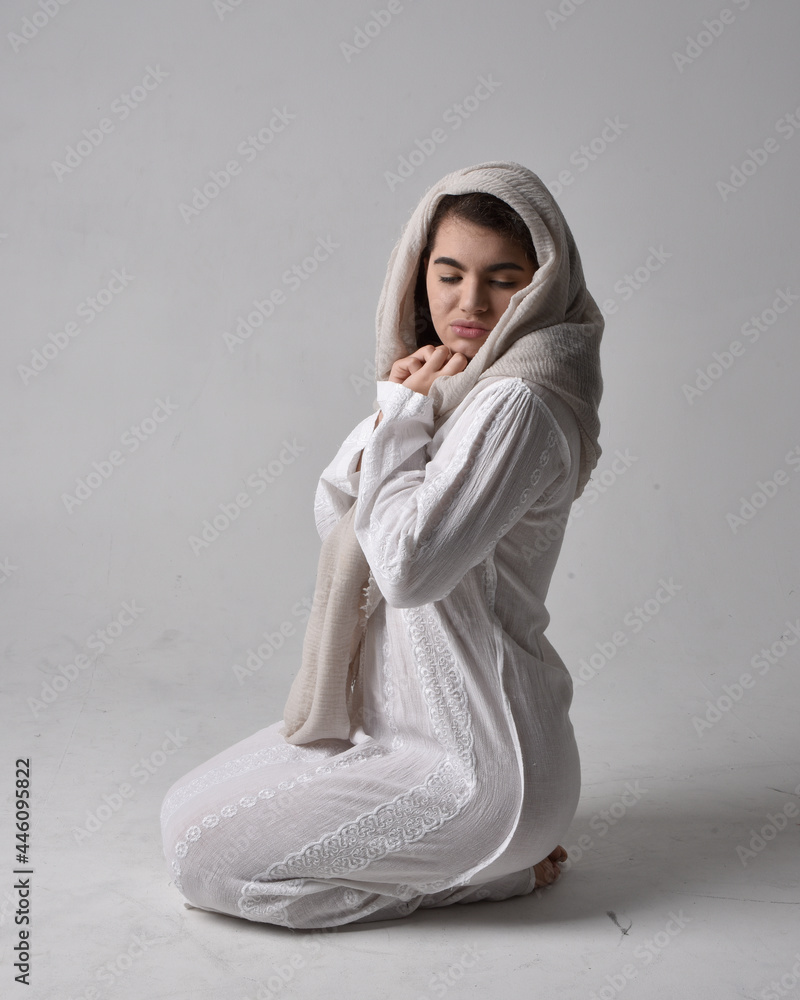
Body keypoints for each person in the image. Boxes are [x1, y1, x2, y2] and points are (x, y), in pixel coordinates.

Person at [160, 160, 604, 930]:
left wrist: (401, 418)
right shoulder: (455, 390)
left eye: (503, 278)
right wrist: (403, 414)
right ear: (416, 272)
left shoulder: (520, 400)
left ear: (541, 284)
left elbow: (403, 569)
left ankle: (496, 873)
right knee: (181, 814)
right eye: (449, 273)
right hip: (390, 724)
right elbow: (340, 518)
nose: (469, 304)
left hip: (482, 765)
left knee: (204, 860)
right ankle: (496, 862)